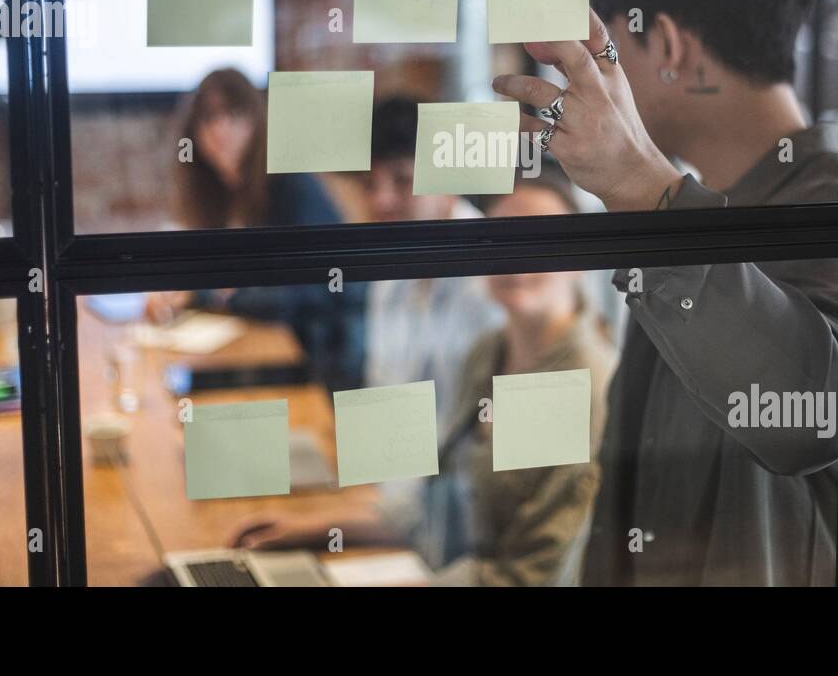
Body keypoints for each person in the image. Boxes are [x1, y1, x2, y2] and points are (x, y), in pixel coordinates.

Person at [490, 0, 838, 585]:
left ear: (669, 48)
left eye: (606, 50)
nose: (589, 82)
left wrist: (643, 189)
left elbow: (806, 418)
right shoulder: (704, 207)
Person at [235, 165, 615, 586]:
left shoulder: (582, 381)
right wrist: (318, 528)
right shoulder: (487, 353)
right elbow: (431, 507)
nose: (517, 258)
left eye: (540, 240)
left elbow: (534, 576)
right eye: (502, 238)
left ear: (583, 257)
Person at [143, 68, 366, 392]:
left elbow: (303, 292)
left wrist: (210, 293)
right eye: (208, 119)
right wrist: (176, 288)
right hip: (252, 351)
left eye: (234, 115)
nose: (221, 130)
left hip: (314, 354)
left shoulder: (292, 184)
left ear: (257, 122)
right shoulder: (214, 195)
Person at [359, 96, 505, 539]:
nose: (381, 200)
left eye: (402, 180)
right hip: (400, 520)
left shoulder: (496, 282)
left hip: (473, 534)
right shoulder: (389, 273)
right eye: (370, 184)